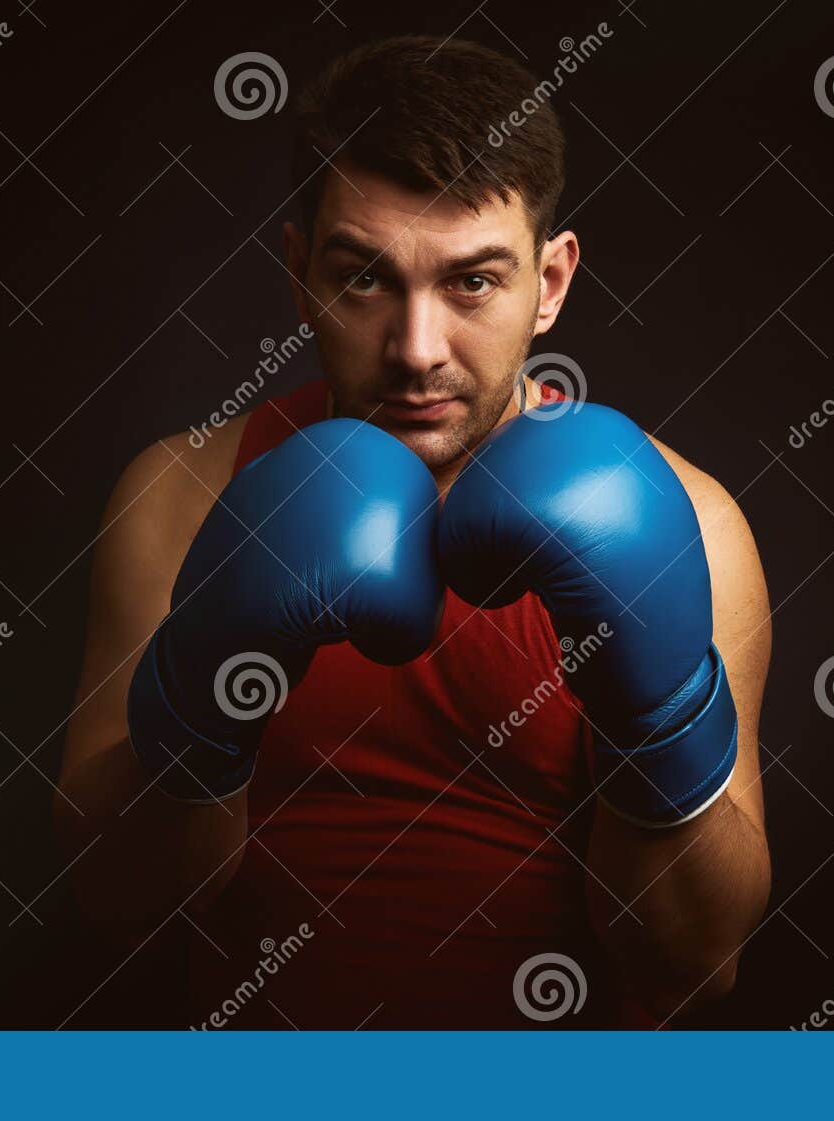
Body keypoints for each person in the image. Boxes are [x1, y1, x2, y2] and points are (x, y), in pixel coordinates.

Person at [57, 34, 771, 1028]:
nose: (416, 350)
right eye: (365, 278)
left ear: (550, 283)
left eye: (472, 282)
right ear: (299, 272)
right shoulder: (182, 493)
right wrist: (201, 692)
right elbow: (115, 904)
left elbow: (697, 958)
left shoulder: (690, 521)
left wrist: (659, 719)